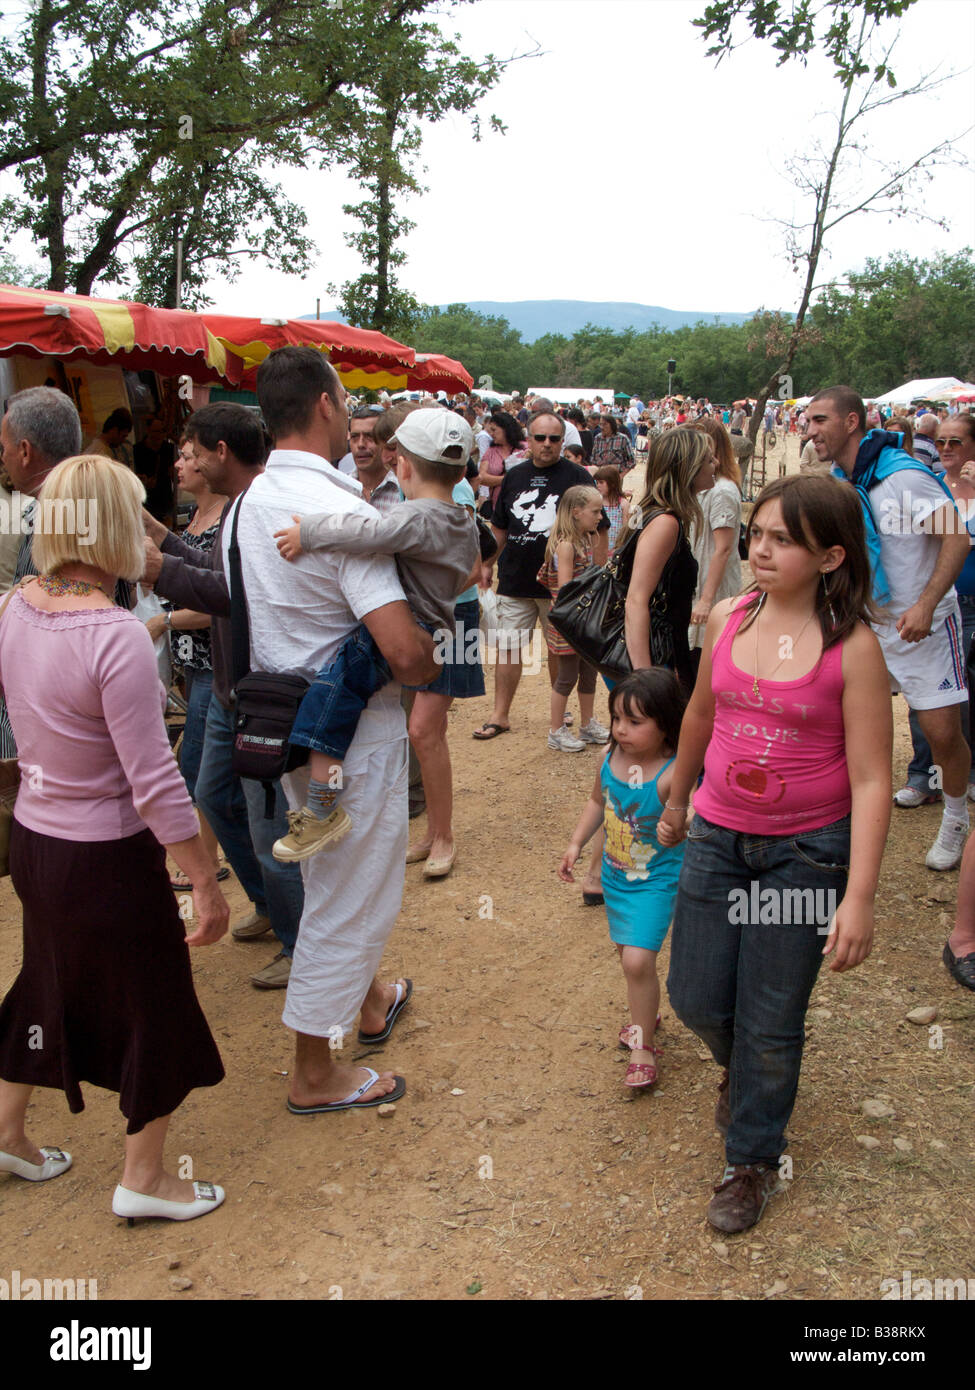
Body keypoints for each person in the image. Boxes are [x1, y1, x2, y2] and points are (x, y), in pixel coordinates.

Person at [659, 474, 891, 1234]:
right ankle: (745, 1072)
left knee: (769, 1014)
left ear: (828, 556)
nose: (759, 549)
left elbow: (870, 777)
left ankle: (752, 1158)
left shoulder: (852, 647)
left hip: (806, 854)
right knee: (694, 996)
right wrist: (675, 789)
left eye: (781, 539)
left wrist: (856, 897)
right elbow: (699, 711)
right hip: (718, 837)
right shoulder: (729, 615)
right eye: (756, 533)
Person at [0, 456, 228, 1221]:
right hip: (103, 854)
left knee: (45, 978)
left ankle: (7, 1131)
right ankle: (145, 1178)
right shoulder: (115, 634)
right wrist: (202, 876)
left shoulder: (17, 604)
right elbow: (154, 779)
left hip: (35, 840)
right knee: (156, 1004)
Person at [237, 346, 436, 1112]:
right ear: (325, 404)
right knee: (349, 898)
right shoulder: (346, 515)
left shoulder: (252, 503)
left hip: (284, 724)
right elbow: (397, 647)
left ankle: (369, 997)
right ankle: (315, 1073)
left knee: (332, 877)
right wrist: (425, 658)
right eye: (345, 398)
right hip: (356, 736)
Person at [269, 408, 478, 875]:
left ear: (401, 465)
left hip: (404, 628)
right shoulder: (462, 518)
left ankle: (321, 808)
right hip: (435, 630)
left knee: (332, 695)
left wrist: (309, 533)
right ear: (462, 471)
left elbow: (371, 531)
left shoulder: (418, 516)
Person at [143, 403, 304, 990]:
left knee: (268, 825)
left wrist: (160, 567)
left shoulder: (258, 508)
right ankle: (269, 904)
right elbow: (218, 571)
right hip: (233, 689)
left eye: (192, 449)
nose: (183, 458)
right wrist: (164, 542)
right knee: (213, 794)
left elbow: (235, 593)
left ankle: (297, 942)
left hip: (259, 693)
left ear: (220, 452)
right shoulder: (241, 507)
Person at [807, 386, 970, 870]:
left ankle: (957, 816)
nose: (810, 430)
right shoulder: (840, 480)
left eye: (819, 420)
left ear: (851, 422)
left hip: (925, 626)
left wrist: (924, 605)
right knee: (844, 726)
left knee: (941, 732)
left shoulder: (905, 477)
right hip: (867, 625)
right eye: (809, 421)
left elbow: (957, 539)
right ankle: (843, 820)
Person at [559, 669, 687, 1087]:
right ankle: (644, 1015)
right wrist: (577, 844)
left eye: (635, 722)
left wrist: (679, 822)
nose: (621, 730)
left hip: (656, 880)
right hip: (616, 878)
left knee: (636, 960)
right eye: (616, 719)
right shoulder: (609, 759)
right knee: (629, 958)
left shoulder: (674, 772)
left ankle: (643, 1047)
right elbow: (598, 802)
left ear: (666, 723)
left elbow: (699, 809)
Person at [472, 411, 609, 740]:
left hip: (563, 586)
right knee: (508, 647)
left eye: (554, 438)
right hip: (515, 579)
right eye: (539, 438)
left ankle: (558, 715)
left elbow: (600, 529)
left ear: (563, 441)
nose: (547, 444)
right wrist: (487, 563)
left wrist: (597, 576)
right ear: (528, 440)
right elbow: (500, 527)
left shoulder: (578, 476)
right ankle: (500, 715)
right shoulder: (514, 476)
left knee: (560, 651)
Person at [147, 436, 229, 891]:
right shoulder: (195, 516)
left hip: (210, 661)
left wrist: (163, 621)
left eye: (187, 456)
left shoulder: (225, 520)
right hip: (191, 660)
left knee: (198, 762)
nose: (179, 464)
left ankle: (206, 858)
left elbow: (219, 598)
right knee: (197, 758)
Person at [895, 412, 975, 807]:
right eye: (941, 441)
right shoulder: (929, 488)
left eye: (955, 442)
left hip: (970, 603)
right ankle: (925, 774)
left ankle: (965, 772)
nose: (944, 449)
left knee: (964, 694)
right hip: (946, 603)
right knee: (926, 697)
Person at [0, 386, 84, 758]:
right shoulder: (82, 503)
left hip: (44, 719)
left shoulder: (59, 514)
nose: (2, 458)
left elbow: (45, 613)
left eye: (4, 448)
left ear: (24, 451)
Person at [623, 426, 714, 690]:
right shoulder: (665, 522)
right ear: (689, 468)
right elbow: (636, 600)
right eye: (709, 459)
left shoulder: (656, 513)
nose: (715, 464)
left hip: (660, 650)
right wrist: (644, 678)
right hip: (655, 655)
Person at [537, 485, 609, 752]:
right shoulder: (566, 545)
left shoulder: (585, 540)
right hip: (570, 624)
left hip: (584, 621)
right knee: (566, 677)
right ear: (576, 512)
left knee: (589, 674)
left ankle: (587, 723)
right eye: (596, 511)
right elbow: (566, 588)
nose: (600, 516)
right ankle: (556, 730)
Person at [688, 419, 743, 664]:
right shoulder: (701, 488)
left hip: (711, 590)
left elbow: (723, 548)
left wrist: (706, 600)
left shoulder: (721, 491)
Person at [473, 411, 525, 516]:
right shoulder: (491, 451)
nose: (491, 434)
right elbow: (482, 477)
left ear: (506, 428)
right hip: (497, 507)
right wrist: (508, 479)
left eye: (494, 430)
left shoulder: (526, 449)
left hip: (522, 506)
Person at [133, 414, 177, 525]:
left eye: (161, 432)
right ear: (148, 431)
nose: (158, 435)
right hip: (144, 503)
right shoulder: (137, 451)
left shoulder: (170, 449)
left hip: (165, 503)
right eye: (155, 431)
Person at [593, 465, 630, 553]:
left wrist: (619, 548)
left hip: (615, 550)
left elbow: (626, 531)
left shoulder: (623, 504)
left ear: (612, 483)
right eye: (596, 482)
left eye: (601, 482)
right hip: (597, 549)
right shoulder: (596, 502)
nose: (598, 485)